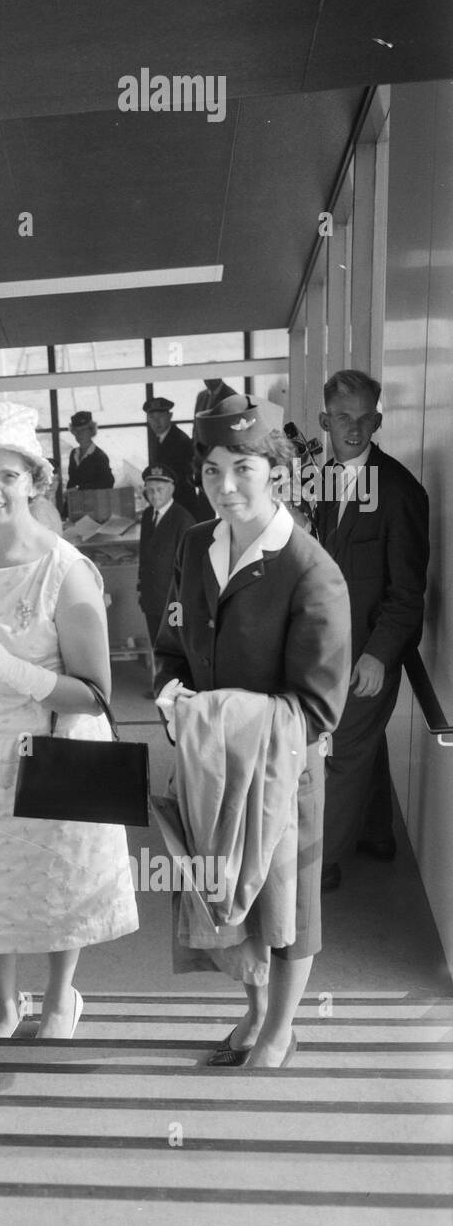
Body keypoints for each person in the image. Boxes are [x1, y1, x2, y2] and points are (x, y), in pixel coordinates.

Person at [0, 402, 139, 1040]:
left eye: (8, 476)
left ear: (35, 480)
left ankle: (62, 997)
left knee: (57, 880)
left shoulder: (67, 570)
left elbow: (95, 694)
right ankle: (6, 1004)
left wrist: (13, 670)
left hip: (54, 748)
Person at [154, 396, 350, 1068]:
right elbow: (170, 646)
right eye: (211, 472)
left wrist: (215, 714)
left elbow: (318, 707)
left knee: (285, 905)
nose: (226, 486)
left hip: (280, 768)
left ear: (276, 471)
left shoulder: (309, 570)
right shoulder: (191, 545)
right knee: (225, 898)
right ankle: (255, 1010)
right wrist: (172, 697)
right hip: (210, 764)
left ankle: (281, 1029)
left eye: (243, 468)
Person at [314, 370, 429, 891]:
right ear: (325, 421)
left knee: (337, 751)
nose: (355, 429)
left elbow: (407, 594)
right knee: (363, 741)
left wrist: (379, 656)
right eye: (344, 418)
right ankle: (377, 832)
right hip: (327, 649)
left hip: (368, 654)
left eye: (364, 419)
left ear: (378, 420)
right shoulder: (319, 479)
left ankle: (322, 862)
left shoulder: (401, 490)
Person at [137, 463, 194, 648]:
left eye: (160, 490)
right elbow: (145, 554)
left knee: (176, 647)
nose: (154, 495)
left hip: (173, 600)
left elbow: (188, 568)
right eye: (150, 490)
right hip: (151, 597)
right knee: (157, 645)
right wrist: (140, 586)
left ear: (172, 489)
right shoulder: (148, 515)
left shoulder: (183, 519)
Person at [144, 396, 205, 519]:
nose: (156, 422)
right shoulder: (161, 437)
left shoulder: (179, 441)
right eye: (152, 417)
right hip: (170, 505)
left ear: (170, 416)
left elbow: (179, 483)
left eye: (160, 417)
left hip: (182, 507)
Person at [64, 411, 115, 489]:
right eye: (76, 431)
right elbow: (71, 482)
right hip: (75, 500)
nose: (80, 434)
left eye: (83, 430)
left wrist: (79, 489)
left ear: (92, 431)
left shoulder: (100, 456)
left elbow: (108, 483)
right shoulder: (73, 453)